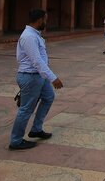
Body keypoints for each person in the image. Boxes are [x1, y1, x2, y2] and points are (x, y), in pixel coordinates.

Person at [10, 9, 64, 150]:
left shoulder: (35, 35)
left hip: (38, 75)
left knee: (48, 97)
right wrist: (53, 78)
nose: (46, 22)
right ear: (40, 20)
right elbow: (36, 61)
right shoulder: (29, 37)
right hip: (30, 76)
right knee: (26, 109)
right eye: (45, 19)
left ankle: (36, 129)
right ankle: (16, 141)